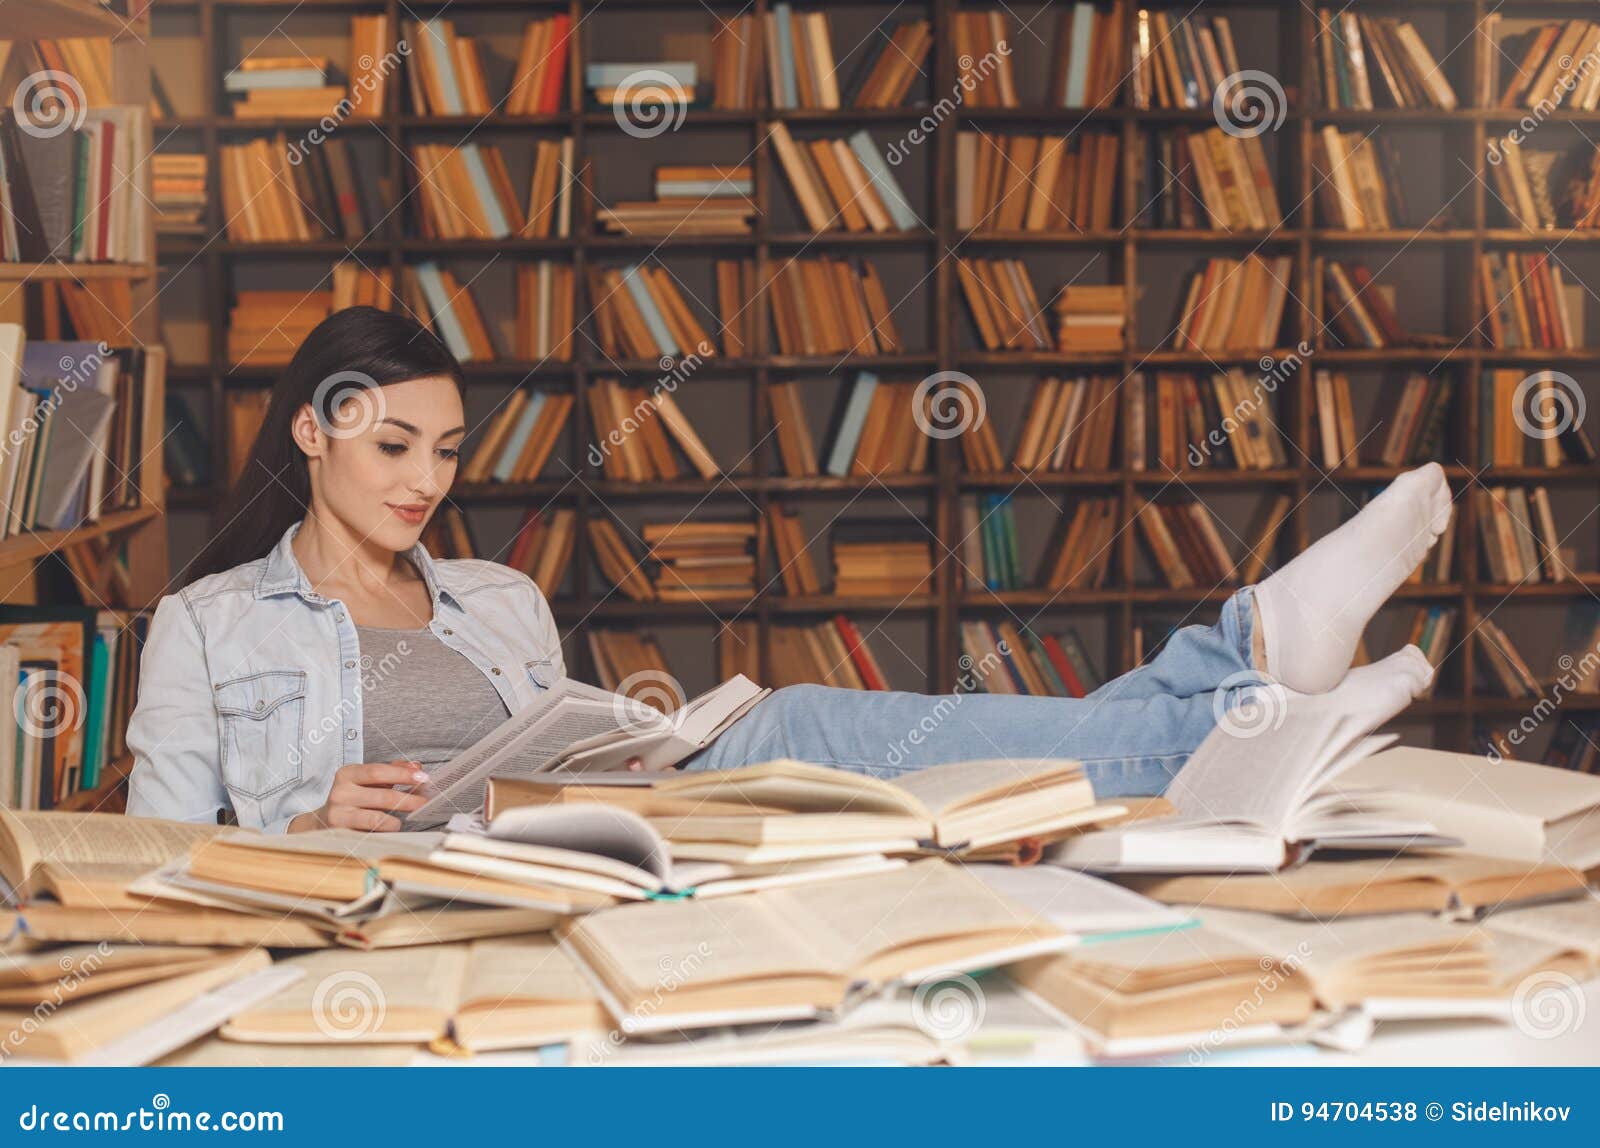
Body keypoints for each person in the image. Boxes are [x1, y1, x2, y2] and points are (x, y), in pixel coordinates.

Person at [124, 307, 1452, 833]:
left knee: (804, 718)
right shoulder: (207, 625)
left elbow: (567, 751)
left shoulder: (494, 595)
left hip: (611, 822)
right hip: (437, 876)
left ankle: (1254, 662)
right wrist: (300, 831)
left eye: (449, 450)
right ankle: (1244, 669)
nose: (425, 478)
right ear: (309, 428)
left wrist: (641, 739)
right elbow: (148, 865)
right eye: (392, 442)